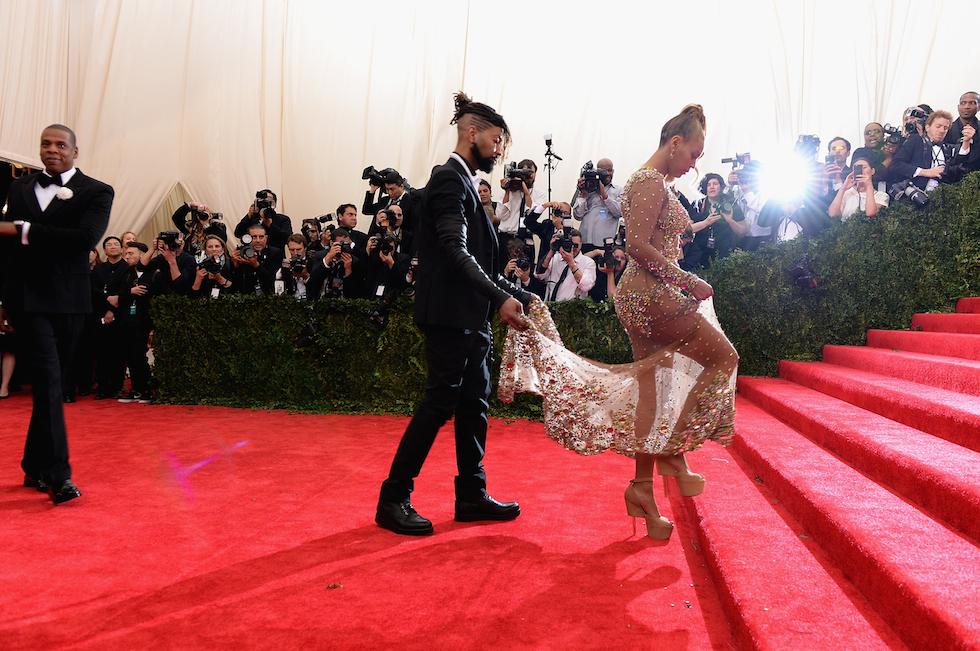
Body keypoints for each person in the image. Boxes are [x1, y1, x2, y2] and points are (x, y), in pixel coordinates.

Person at [499, 106, 737, 541]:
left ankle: (643, 489)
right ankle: (671, 452)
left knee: (654, 389)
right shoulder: (648, 183)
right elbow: (640, 247)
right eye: (694, 154)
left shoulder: (648, 182)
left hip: (644, 294)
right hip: (650, 294)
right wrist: (688, 280)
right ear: (675, 143)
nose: (694, 165)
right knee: (724, 356)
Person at [376, 91, 532, 536]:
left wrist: (518, 292)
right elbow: (453, 251)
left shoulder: (462, 182)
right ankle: (393, 498)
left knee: (473, 405)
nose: (500, 151)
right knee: (439, 403)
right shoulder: (448, 179)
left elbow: (477, 265)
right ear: (472, 133)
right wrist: (501, 299)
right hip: (450, 317)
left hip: (470, 318)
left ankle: (471, 496)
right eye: (497, 140)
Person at [0, 124, 114, 504]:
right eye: (46, 144)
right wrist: (4, 298)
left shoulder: (97, 191)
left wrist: (23, 230)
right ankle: (58, 475)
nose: (52, 150)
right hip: (28, 300)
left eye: (60, 144)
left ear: (75, 152)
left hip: (70, 299)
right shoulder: (19, 187)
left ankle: (33, 464)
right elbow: (10, 252)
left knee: (55, 384)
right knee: (49, 383)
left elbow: (85, 240)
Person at [573, 158, 623, 253]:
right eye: (604, 170)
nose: (607, 173)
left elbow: (620, 212)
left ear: (613, 171)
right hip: (585, 240)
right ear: (597, 171)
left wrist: (605, 196)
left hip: (605, 242)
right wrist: (582, 194)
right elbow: (578, 216)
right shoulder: (588, 188)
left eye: (610, 170)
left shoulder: (619, 190)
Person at [828, 148, 889, 220]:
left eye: (864, 167)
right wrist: (843, 189)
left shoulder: (881, 195)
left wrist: (869, 186)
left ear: (872, 171)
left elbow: (870, 213)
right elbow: (832, 214)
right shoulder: (848, 193)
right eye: (856, 168)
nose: (861, 171)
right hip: (845, 230)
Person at [944, 91, 979, 173]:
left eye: (972, 103)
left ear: (979, 107)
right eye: (963, 103)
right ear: (958, 107)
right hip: (950, 178)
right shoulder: (947, 129)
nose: (966, 107)